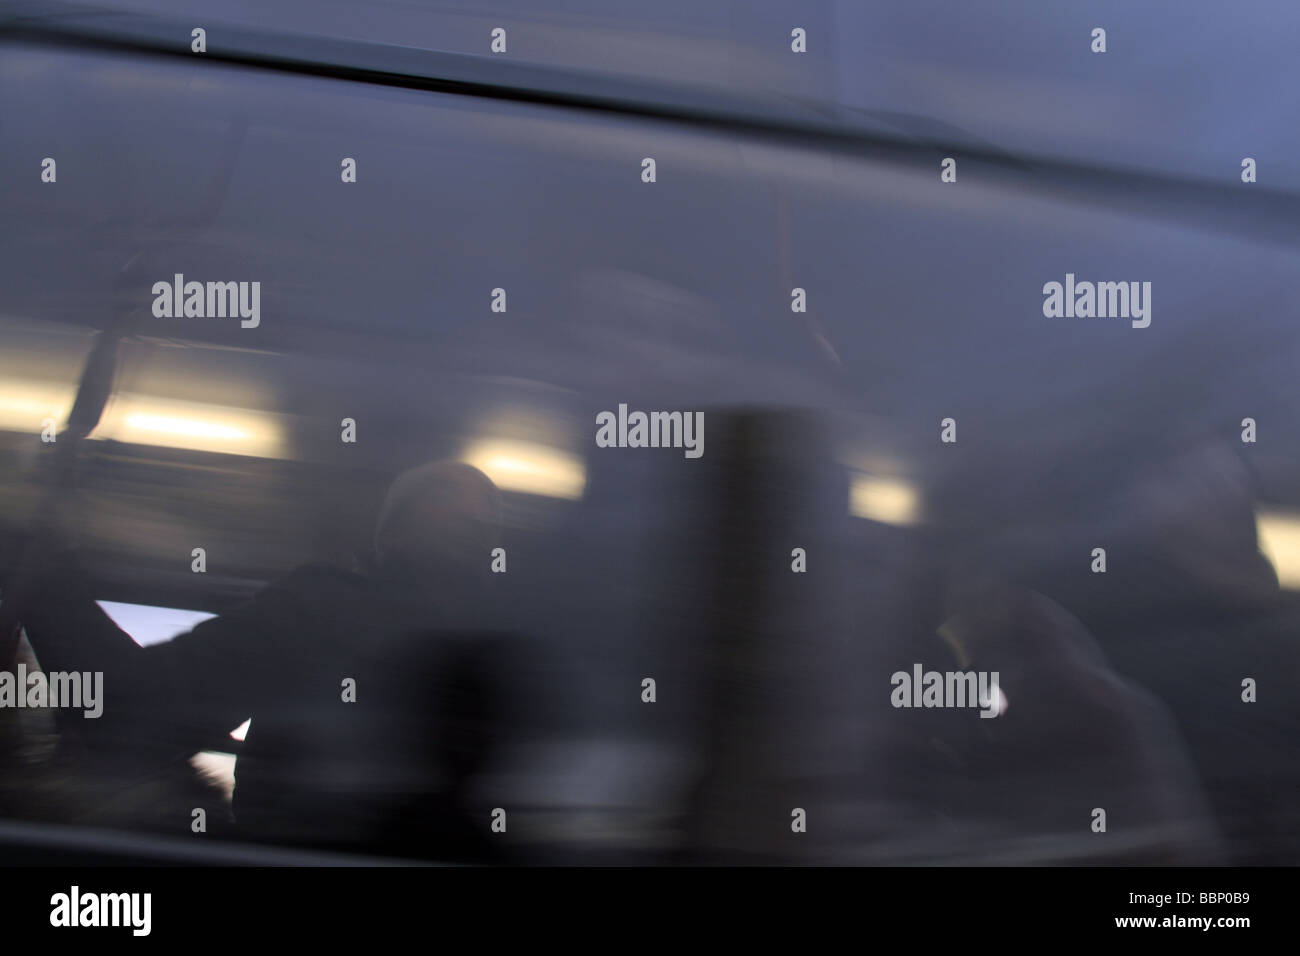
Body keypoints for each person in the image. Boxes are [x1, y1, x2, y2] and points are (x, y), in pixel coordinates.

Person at [10, 461, 523, 859]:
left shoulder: (325, 614)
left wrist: (43, 576)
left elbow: (134, 708)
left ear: (386, 539)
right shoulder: (514, 662)